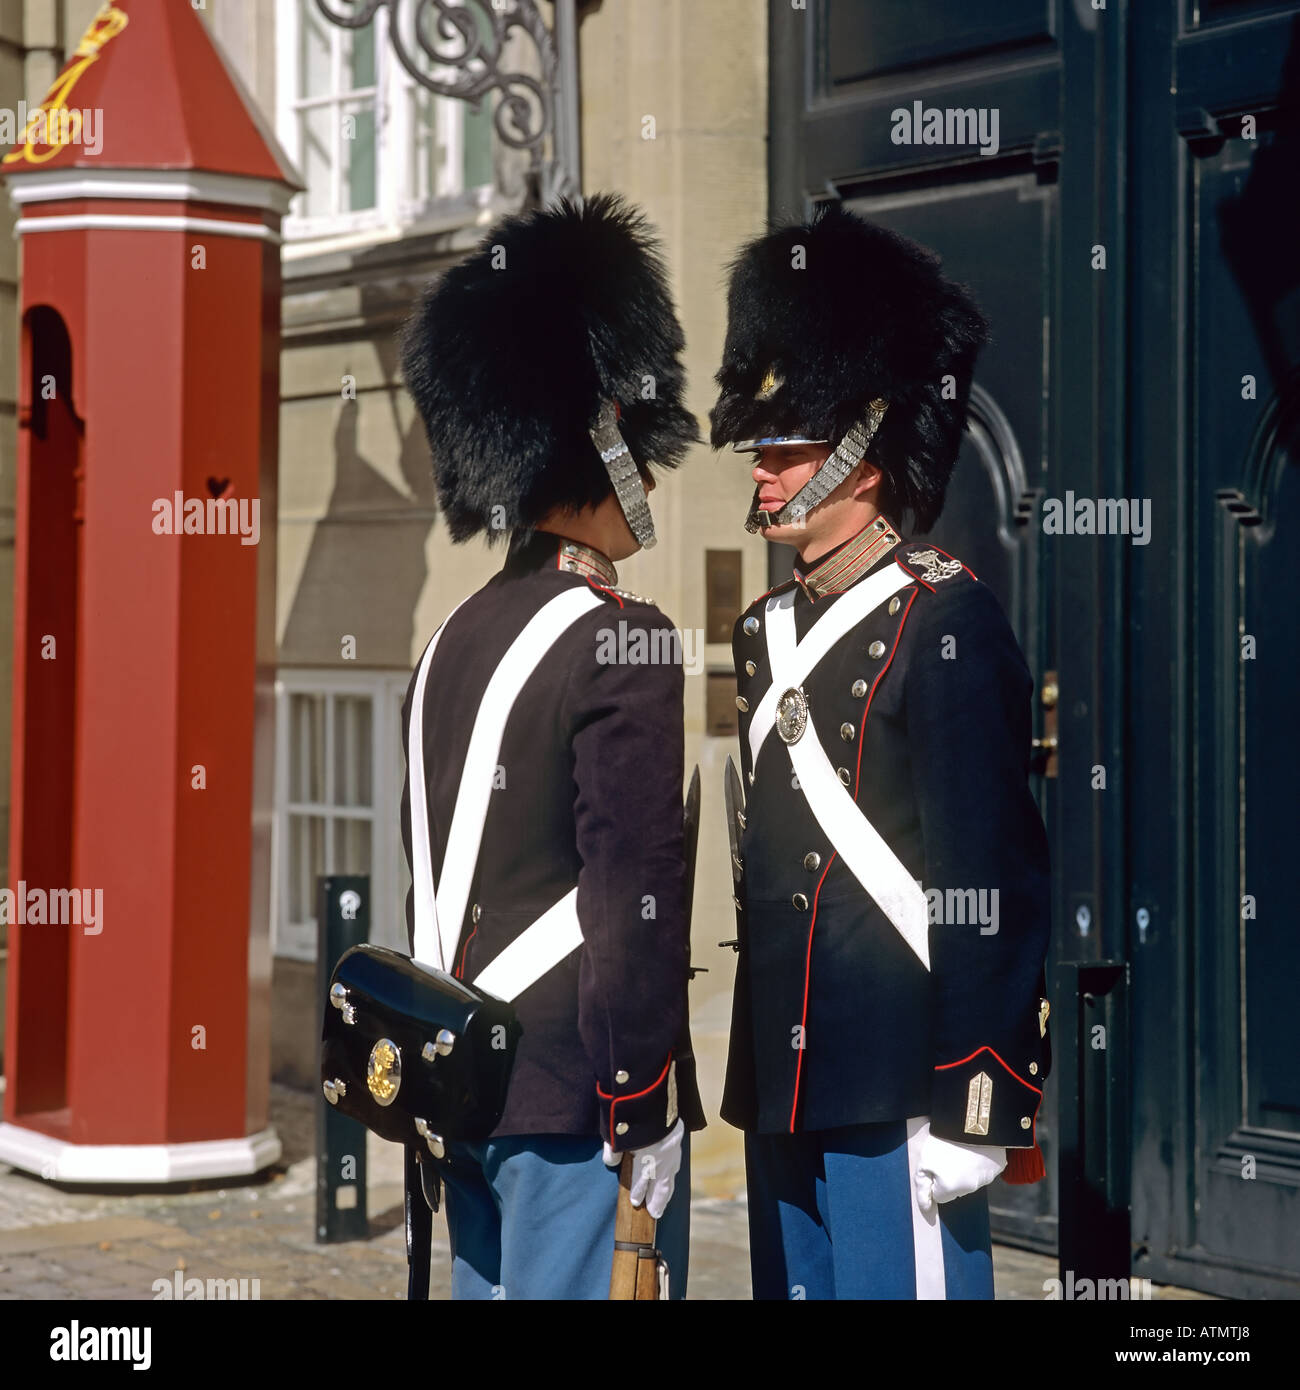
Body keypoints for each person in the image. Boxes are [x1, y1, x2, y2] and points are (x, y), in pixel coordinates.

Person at [712, 202, 1052, 1300]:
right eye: (759, 452)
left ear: (861, 453)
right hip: (788, 1073)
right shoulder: (758, 632)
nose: (762, 475)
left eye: (786, 451)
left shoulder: (949, 620)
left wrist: (980, 1093)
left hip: (903, 1070)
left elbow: (988, 875)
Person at [397, 192, 705, 1300]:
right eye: (639, 445)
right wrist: (643, 1100)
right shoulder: (624, 641)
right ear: (600, 441)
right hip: (577, 1098)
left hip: (463, 1080)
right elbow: (634, 893)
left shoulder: (448, 640)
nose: (653, 478)